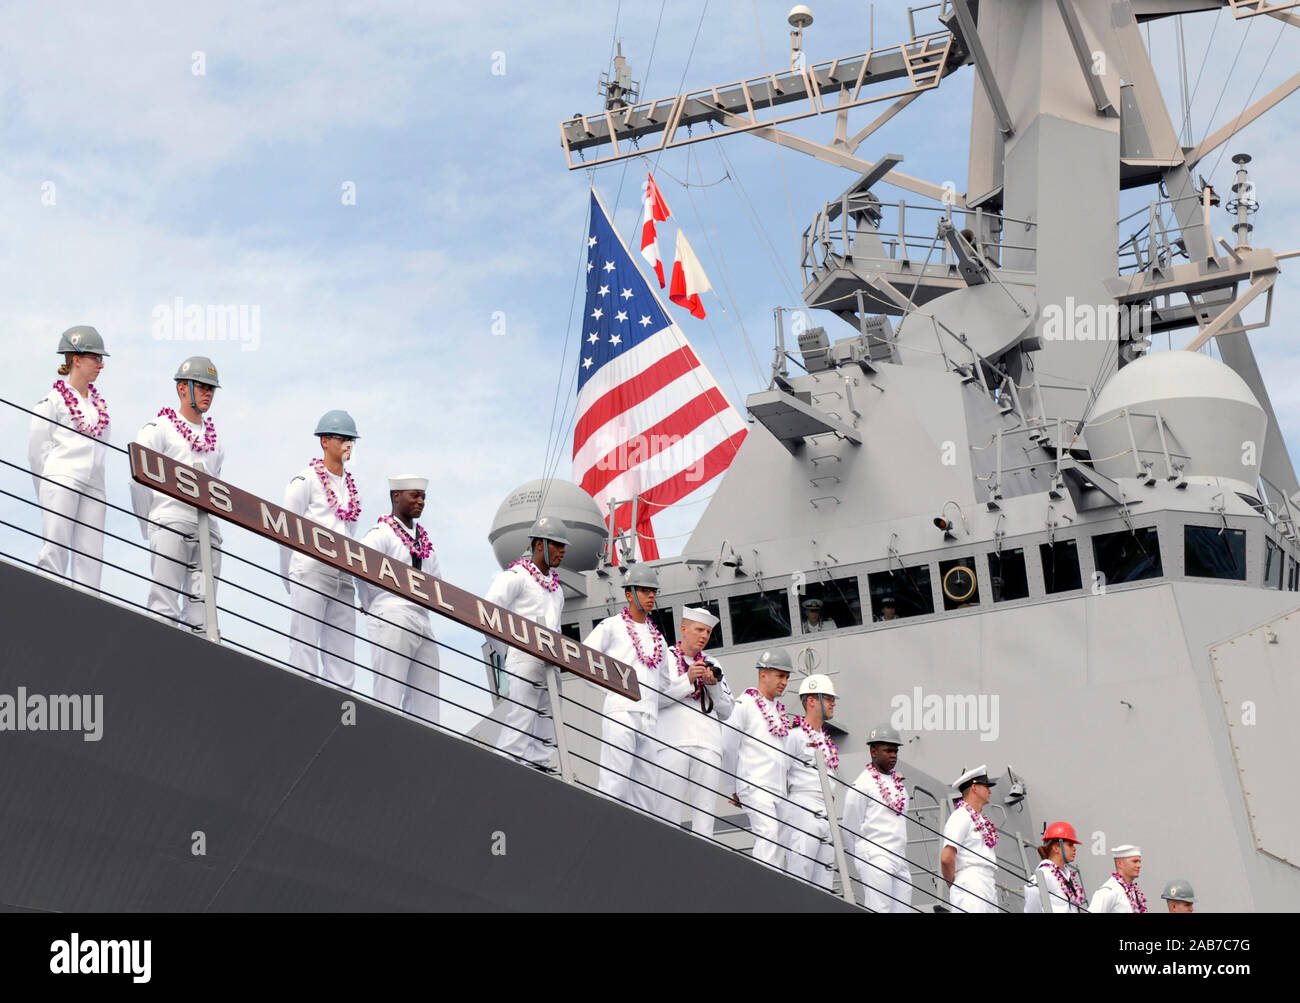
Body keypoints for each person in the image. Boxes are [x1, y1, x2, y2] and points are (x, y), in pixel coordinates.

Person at [130, 356, 226, 632]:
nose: (208, 392)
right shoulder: (159, 428)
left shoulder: (215, 441)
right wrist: (152, 521)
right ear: (183, 388)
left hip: (208, 530)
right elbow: (137, 482)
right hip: (170, 519)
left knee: (203, 613)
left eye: (212, 388)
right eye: (202, 386)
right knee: (164, 604)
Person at [282, 410, 362, 687]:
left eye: (351, 439)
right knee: (304, 645)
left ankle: (339, 709)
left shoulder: (352, 490)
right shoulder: (305, 481)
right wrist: (288, 577)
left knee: (343, 655)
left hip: (342, 576)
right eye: (342, 438)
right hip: (311, 570)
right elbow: (286, 531)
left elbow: (349, 532)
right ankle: (301, 702)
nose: (348, 444)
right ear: (324, 441)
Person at [29, 326, 111, 590]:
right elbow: (37, 449)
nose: (100, 364)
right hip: (61, 477)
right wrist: (48, 486)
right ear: (76, 359)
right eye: (95, 358)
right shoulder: (52, 400)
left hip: (94, 486)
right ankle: (49, 600)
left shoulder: (100, 408)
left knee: (91, 557)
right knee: (55, 546)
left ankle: (88, 611)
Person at [582, 564, 670, 812]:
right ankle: (601, 837)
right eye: (644, 590)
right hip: (621, 712)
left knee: (646, 790)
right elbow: (584, 660)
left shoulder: (659, 639)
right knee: (614, 783)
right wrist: (611, 691)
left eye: (653, 590)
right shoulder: (611, 626)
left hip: (650, 718)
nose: (651, 595)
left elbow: (663, 683)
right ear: (629, 594)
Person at [484, 516, 569, 770]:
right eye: (557, 544)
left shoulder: (557, 589)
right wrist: (509, 652)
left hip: (550, 663)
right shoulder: (515, 577)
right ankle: (504, 767)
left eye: (564, 546)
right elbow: (487, 612)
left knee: (550, 719)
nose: (562, 551)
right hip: (524, 657)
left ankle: (539, 766)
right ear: (540, 544)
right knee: (521, 717)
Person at [357, 476, 440, 724]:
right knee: (389, 693)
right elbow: (360, 563)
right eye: (414, 495)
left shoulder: (427, 545)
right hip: (391, 611)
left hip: (422, 619)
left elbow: (437, 583)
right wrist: (372, 604)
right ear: (396, 496)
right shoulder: (382, 533)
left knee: (427, 702)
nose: (421, 501)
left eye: (423, 497)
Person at [655, 606, 734, 839]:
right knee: (667, 813)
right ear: (683, 629)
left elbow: (728, 710)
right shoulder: (664, 656)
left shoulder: (713, 662)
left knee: (705, 819)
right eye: (699, 629)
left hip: (708, 744)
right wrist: (687, 678)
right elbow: (655, 698)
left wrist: (713, 685)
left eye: (708, 632)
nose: (704, 636)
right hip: (672, 743)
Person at [721, 648, 795, 870]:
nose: (784, 682)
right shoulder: (744, 703)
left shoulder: (778, 711)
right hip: (755, 784)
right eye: (780, 675)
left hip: (778, 788)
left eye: (787, 677)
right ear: (763, 674)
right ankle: (765, 886)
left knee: (781, 840)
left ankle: (775, 886)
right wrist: (732, 787)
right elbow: (728, 745)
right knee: (768, 834)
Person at [842, 723, 913, 912]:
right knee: (878, 909)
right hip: (876, 854)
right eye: (888, 751)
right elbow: (849, 828)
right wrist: (862, 859)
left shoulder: (900, 788)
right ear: (874, 752)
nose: (893, 756)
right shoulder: (863, 784)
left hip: (899, 857)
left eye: (896, 751)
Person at [782, 673, 841, 889]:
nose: (833, 703)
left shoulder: (826, 742)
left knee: (824, 879)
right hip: (803, 806)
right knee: (801, 869)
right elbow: (781, 774)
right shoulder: (795, 737)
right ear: (811, 701)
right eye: (828, 698)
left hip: (827, 812)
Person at [941, 764, 1001, 913]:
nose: (990, 790)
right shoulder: (961, 816)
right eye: (986, 786)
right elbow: (946, 858)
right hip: (971, 881)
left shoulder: (980, 819)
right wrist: (954, 884)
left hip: (988, 883)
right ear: (974, 788)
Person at [1023, 821, 1087, 913]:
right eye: (1070, 844)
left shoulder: (1066, 875)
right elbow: (1031, 901)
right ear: (1056, 848)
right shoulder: (1045, 874)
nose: (1074, 848)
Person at [1089, 845, 1147, 913]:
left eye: (1140, 862)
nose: (1139, 865)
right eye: (1135, 861)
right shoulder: (1109, 890)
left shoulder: (1133, 891)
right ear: (1119, 863)